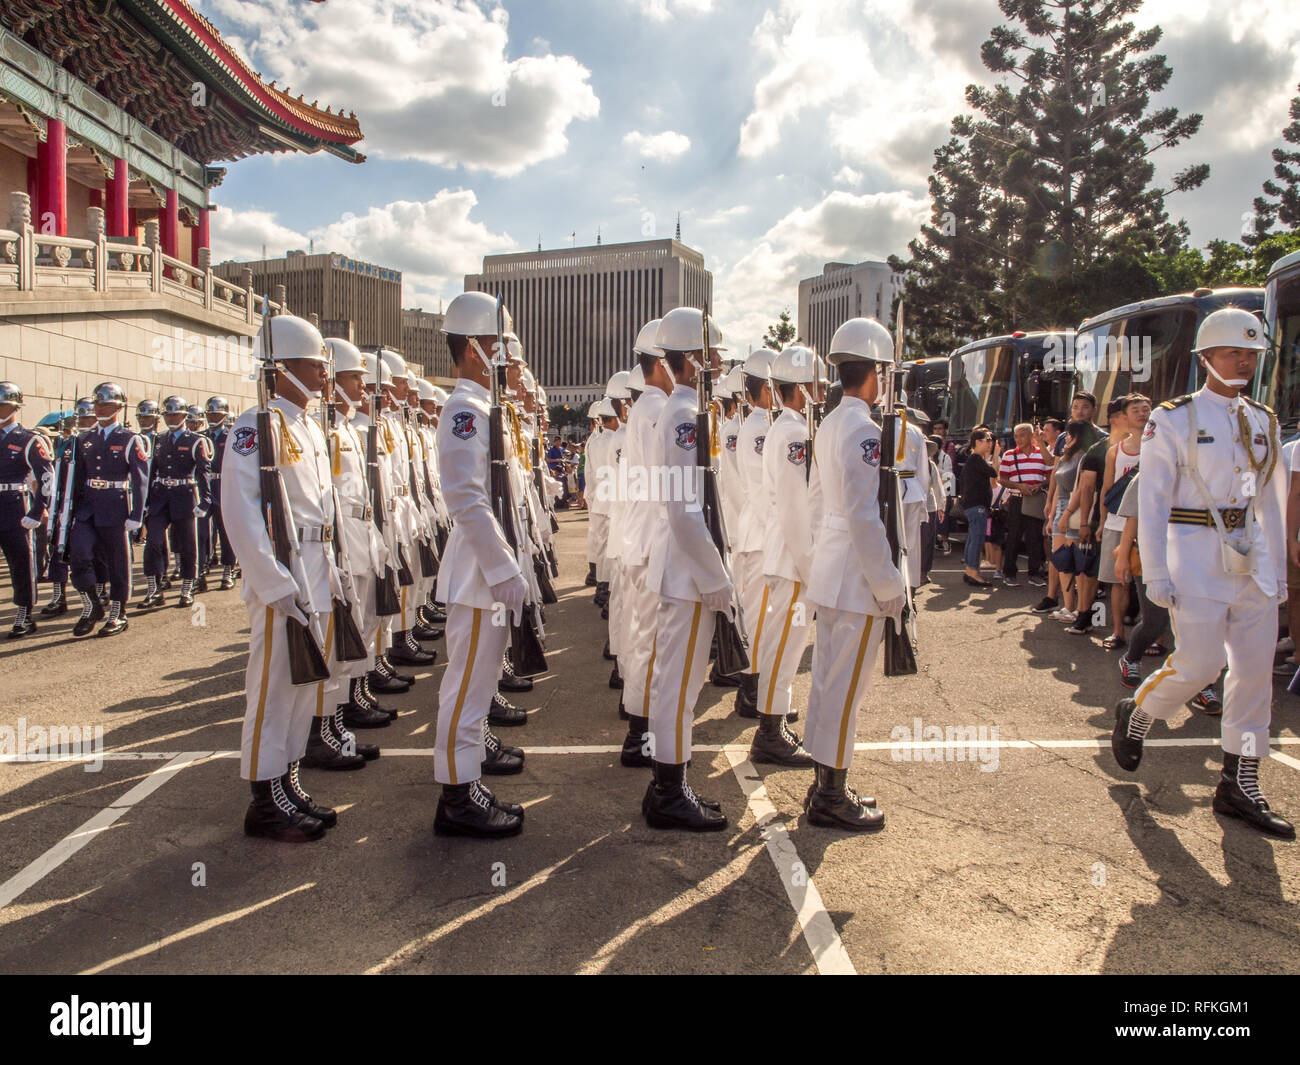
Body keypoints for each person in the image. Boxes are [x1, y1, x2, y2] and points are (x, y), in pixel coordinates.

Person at [1114, 307, 1292, 839]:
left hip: (1250, 557)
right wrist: (1157, 573)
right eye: (1234, 351)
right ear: (1207, 357)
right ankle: (1140, 709)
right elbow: (1152, 499)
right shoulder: (1174, 418)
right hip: (1191, 551)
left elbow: (1273, 502)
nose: (1243, 360)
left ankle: (1241, 781)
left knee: (1255, 672)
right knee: (1201, 664)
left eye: (1251, 353)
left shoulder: (1264, 420)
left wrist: (1277, 567)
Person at [222, 314, 339, 843]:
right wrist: (272, 582)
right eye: (314, 364)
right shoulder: (254, 426)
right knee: (270, 688)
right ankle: (264, 799)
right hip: (284, 575)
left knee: (301, 686)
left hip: (316, 566)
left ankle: (289, 783)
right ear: (283, 367)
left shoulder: (309, 426)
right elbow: (242, 514)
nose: (322, 373)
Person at [802, 317, 906, 830]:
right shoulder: (865, 429)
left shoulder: (829, 424)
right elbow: (865, 517)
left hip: (830, 571)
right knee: (844, 689)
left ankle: (825, 781)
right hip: (855, 579)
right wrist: (889, 585)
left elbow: (820, 504)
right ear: (876, 374)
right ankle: (832, 795)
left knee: (826, 682)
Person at [432, 292, 529, 838]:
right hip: (477, 575)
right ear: (472, 348)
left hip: (487, 571)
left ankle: (466, 780)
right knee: (465, 687)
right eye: (497, 347)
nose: (505, 358)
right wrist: (502, 570)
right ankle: (455, 796)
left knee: (478, 684)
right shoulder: (465, 410)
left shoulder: (482, 407)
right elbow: (467, 499)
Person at [641, 307, 734, 831]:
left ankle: (670, 785)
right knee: (676, 687)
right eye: (713, 354)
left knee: (681, 685)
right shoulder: (682, 415)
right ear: (692, 359)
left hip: (688, 570)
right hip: (687, 573)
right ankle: (667, 791)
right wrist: (715, 578)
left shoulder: (692, 410)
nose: (719, 363)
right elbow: (683, 509)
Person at [750, 344, 820, 764]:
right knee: (785, 646)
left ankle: (773, 725)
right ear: (801, 388)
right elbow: (796, 510)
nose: (822, 391)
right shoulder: (794, 432)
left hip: (790, 559)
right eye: (816, 384)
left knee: (786, 644)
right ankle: (769, 731)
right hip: (794, 562)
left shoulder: (791, 427)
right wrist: (813, 569)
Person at [68, 383, 149, 637]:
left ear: (118, 408)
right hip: (88, 506)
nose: (101, 408)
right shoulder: (84, 439)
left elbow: (140, 479)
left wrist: (137, 515)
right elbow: (75, 478)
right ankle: (91, 603)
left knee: (117, 561)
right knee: (78, 552)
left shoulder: (129, 438)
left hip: (115, 505)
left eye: (107, 404)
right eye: (98, 404)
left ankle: (118, 610)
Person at [732, 348, 775, 718]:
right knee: (758, 619)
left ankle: (755, 690)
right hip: (761, 535)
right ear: (765, 388)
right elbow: (765, 491)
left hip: (760, 533)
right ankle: (750, 692)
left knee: (762, 617)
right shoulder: (760, 428)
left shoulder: (765, 424)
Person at [140, 396, 212, 609]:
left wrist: (206, 500)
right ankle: (154, 589)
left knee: (188, 545)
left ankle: (187, 587)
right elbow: (152, 470)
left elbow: (203, 472)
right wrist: (145, 501)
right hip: (161, 496)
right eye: (167, 414)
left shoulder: (195, 440)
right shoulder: (159, 439)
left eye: (175, 414)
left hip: (184, 495)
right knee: (153, 541)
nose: (171, 418)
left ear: (184, 416)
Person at [1064, 396, 1127, 636]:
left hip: (1142, 519)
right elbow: (1087, 488)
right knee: (1092, 568)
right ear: (1115, 419)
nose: (1142, 416)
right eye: (1132, 412)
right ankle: (1085, 614)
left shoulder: (1153, 445)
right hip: (1104, 518)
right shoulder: (1100, 448)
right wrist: (1083, 522)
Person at [1097, 393, 1149, 650]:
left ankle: (1155, 636)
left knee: (1150, 582)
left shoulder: (1161, 445)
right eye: (1136, 409)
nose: (1142, 413)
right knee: (1117, 582)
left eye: (1146, 408)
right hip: (1116, 523)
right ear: (1125, 417)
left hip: (1149, 525)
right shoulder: (1115, 451)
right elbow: (1107, 489)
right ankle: (1118, 632)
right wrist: (1100, 522)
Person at [0, 383, 52, 637]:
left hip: (14, 504)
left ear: (15, 408)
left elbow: (46, 477)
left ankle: (24, 612)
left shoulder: (28, 439)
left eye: (4, 405)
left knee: (21, 561)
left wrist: (38, 509)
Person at [997, 422, 1049, 587]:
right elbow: (1001, 479)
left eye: (1022, 435)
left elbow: (1050, 477)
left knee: (1035, 538)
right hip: (1017, 499)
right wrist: (1019, 486)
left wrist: (1039, 485)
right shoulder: (1009, 455)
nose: (1018, 439)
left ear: (1031, 435)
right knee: (1013, 537)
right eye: (1016, 436)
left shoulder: (1043, 454)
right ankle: (1009, 573)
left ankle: (1035, 573)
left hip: (1035, 499)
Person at [203, 397, 236, 590]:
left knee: (225, 532)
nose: (212, 417)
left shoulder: (230, 436)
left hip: (224, 486)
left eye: (216, 414)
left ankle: (228, 568)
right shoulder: (201, 436)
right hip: (205, 487)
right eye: (210, 414)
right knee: (203, 533)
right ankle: (201, 567)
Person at [959, 429, 998, 587]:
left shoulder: (974, 459)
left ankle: (970, 570)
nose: (991, 443)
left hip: (973, 505)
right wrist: (996, 455)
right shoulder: (976, 458)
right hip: (977, 506)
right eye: (987, 440)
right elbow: (993, 472)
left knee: (973, 538)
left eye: (991, 440)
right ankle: (973, 571)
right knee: (977, 538)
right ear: (977, 442)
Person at [920, 435, 945, 584]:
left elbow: (937, 487)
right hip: (911, 506)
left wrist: (941, 507)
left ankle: (923, 572)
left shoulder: (930, 465)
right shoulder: (906, 463)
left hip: (929, 507)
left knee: (927, 541)